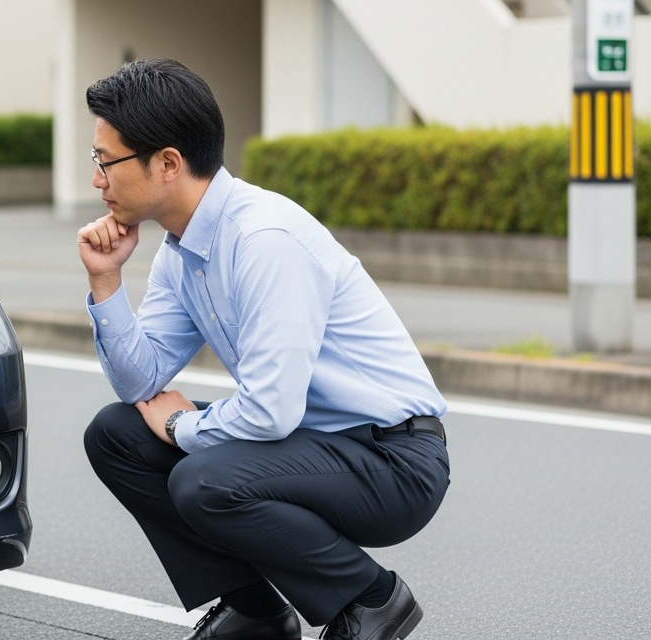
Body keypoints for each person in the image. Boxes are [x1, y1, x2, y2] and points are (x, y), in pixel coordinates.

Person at [76, 59, 450, 640]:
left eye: (106, 161)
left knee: (202, 479)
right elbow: (139, 382)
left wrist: (182, 427)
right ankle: (255, 611)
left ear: (168, 163)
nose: (97, 179)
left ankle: (371, 601)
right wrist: (105, 281)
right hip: (314, 445)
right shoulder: (181, 250)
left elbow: (270, 411)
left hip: (392, 461)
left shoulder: (263, 239)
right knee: (116, 434)